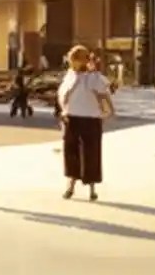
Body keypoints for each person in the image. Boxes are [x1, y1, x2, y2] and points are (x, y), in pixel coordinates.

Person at [58, 45, 113, 201]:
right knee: (71, 153)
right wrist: (63, 111)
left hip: (90, 118)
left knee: (91, 154)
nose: (72, 63)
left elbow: (104, 91)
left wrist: (108, 110)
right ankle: (71, 185)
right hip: (72, 118)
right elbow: (63, 95)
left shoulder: (93, 77)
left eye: (75, 59)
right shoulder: (70, 76)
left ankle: (92, 188)